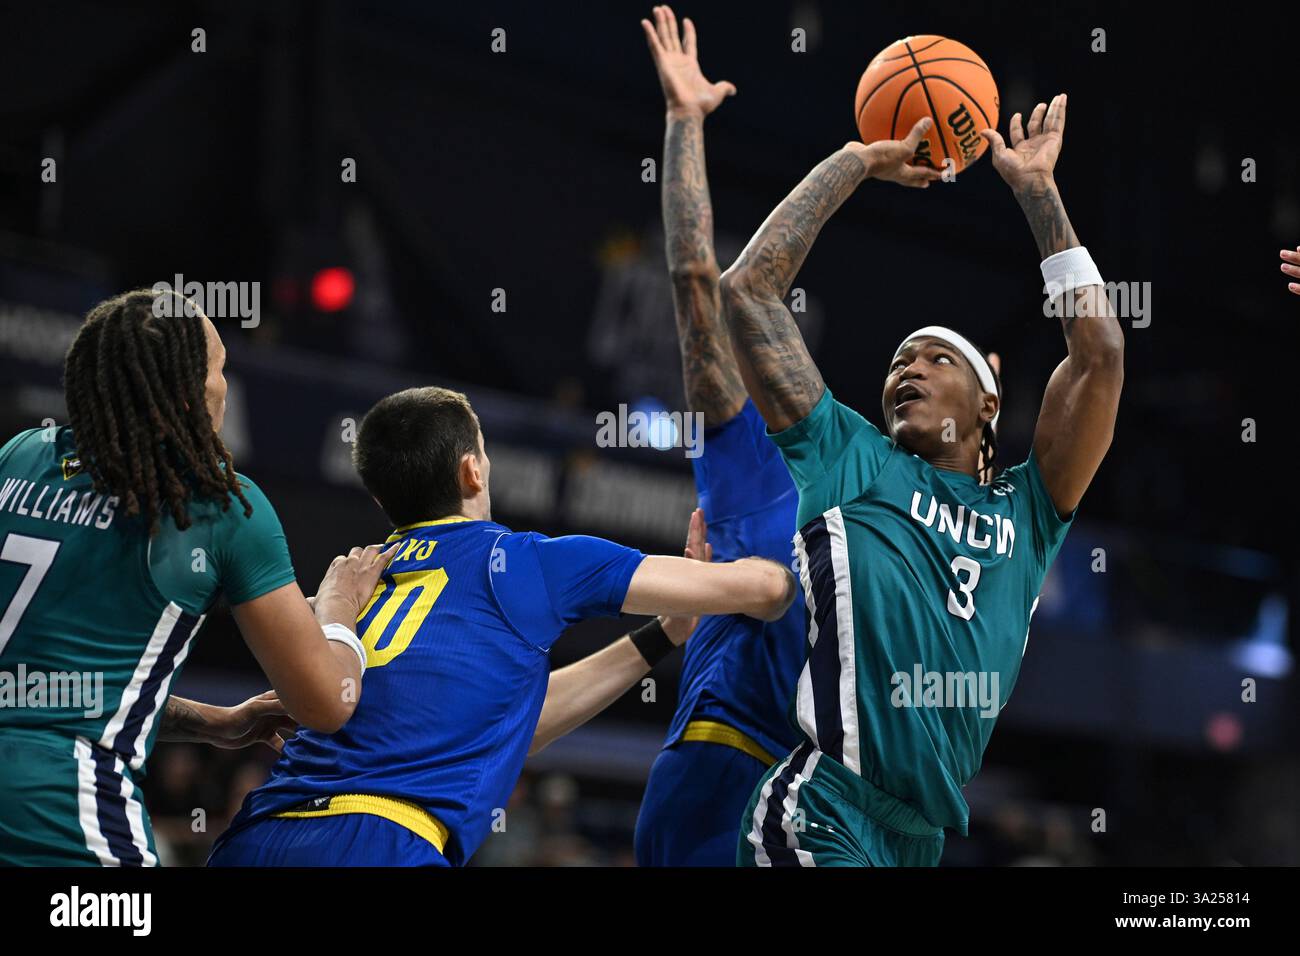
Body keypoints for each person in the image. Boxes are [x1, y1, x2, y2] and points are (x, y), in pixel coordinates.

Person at [721, 94, 1124, 865]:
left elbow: (1100, 349)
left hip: (921, 840)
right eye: (899, 361)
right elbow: (747, 293)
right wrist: (859, 160)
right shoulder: (854, 458)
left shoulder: (1031, 510)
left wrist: (1038, 194)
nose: (909, 367)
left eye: (937, 358)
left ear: (989, 405)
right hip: (827, 807)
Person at [208, 385, 797, 866]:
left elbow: (505, 728)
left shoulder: (355, 581)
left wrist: (664, 634)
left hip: (254, 836)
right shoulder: (527, 562)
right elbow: (766, 589)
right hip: (384, 841)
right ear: (472, 471)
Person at [0, 288, 388, 866]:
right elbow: (328, 703)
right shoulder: (217, 506)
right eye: (219, 368)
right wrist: (336, 609)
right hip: (60, 819)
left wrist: (212, 722)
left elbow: (52, 687)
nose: (224, 387)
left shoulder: (20, 457)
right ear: (185, 395)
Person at [631, 5, 807, 867]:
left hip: (835, 793)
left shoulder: (889, 490)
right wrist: (684, 124)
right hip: (723, 770)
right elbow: (698, 281)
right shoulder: (754, 465)